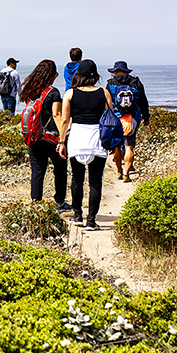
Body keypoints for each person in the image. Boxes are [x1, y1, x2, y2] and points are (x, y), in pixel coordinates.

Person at [56, 59, 114, 231]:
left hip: (77, 139)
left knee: (77, 179)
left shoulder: (70, 94)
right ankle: (91, 221)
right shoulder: (104, 93)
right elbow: (109, 118)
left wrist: (61, 141)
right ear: (95, 75)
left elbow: (65, 120)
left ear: (78, 75)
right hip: (97, 139)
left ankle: (77, 215)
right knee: (95, 182)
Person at [19, 59, 72, 212]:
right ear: (51, 75)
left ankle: (36, 204)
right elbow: (56, 114)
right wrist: (63, 136)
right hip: (51, 138)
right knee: (60, 170)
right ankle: (60, 202)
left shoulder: (30, 89)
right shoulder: (53, 92)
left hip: (34, 137)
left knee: (37, 171)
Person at [106, 61, 150, 182]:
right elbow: (143, 102)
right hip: (132, 118)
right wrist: (146, 117)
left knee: (117, 147)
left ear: (115, 72)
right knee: (129, 146)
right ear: (127, 71)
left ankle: (119, 171)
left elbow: (107, 102)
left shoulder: (111, 84)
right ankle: (126, 174)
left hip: (116, 118)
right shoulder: (136, 83)